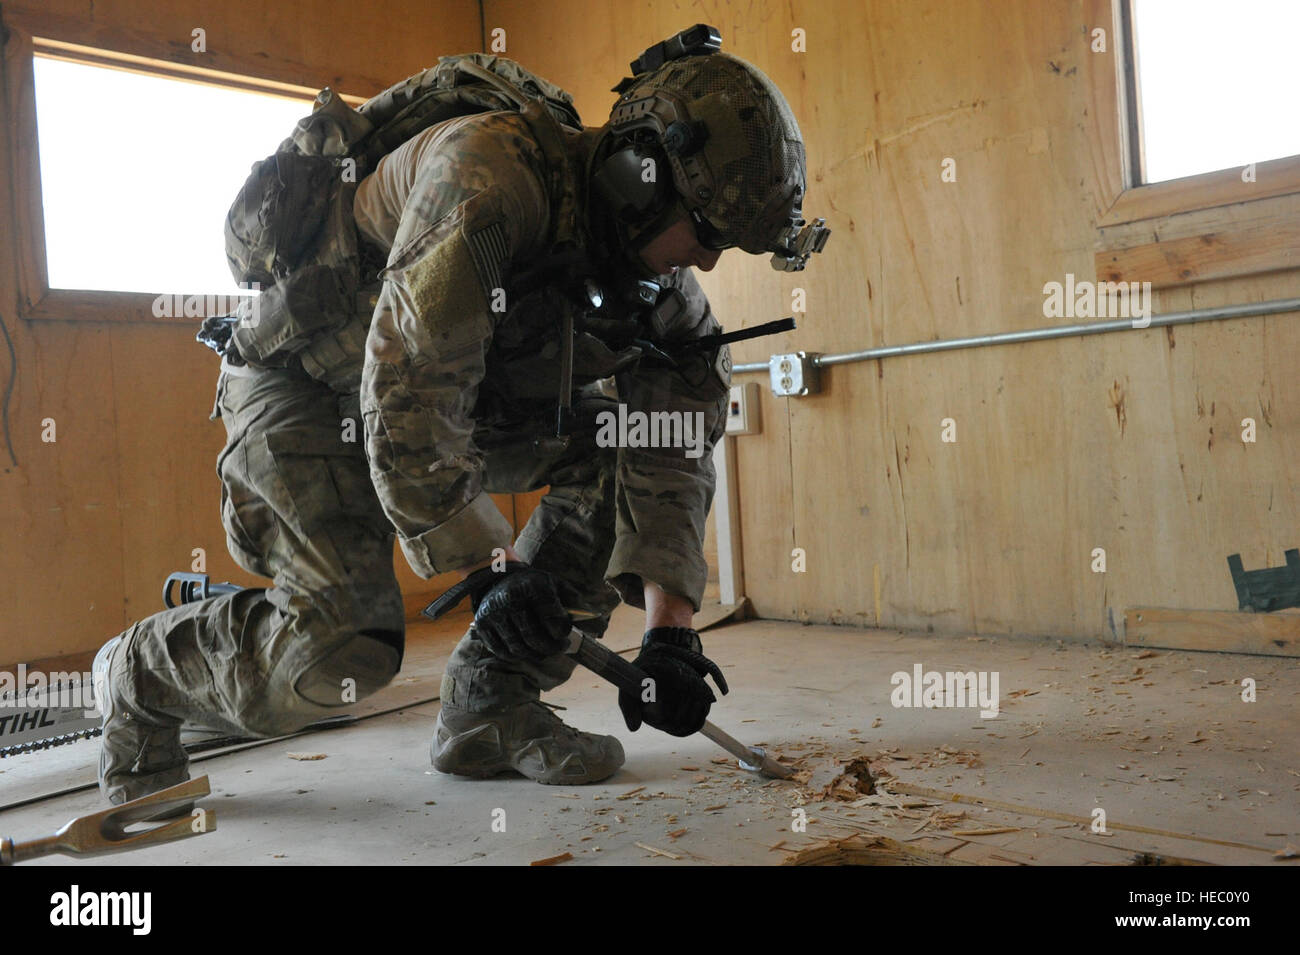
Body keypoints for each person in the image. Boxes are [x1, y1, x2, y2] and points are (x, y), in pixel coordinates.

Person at [92, 26, 829, 806]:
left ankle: (490, 707)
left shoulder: (660, 289)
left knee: (616, 444)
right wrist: (493, 571)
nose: (708, 262)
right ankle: (140, 673)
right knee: (342, 652)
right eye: (707, 232)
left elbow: (672, 448)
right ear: (638, 175)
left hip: (434, 402)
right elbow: (411, 386)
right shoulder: (488, 177)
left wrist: (670, 631)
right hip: (303, 388)